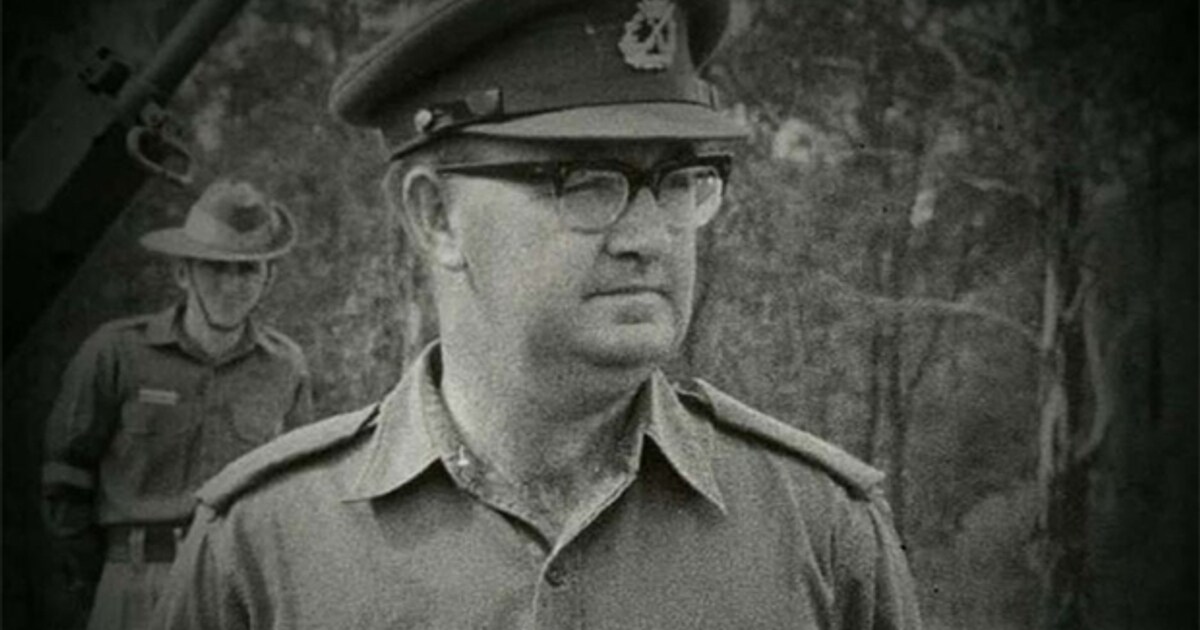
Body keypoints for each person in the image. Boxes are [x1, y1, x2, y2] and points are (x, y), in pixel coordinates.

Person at [156, 1, 922, 628]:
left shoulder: (818, 532)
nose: (650, 237)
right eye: (587, 181)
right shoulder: (266, 548)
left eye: (680, 181)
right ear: (436, 218)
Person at [41, 180, 314, 630]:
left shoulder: (284, 367)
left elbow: (295, 488)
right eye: (214, 267)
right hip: (135, 580)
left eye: (248, 270)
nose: (231, 285)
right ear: (183, 273)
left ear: (269, 278)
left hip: (237, 585)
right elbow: (65, 477)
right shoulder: (117, 353)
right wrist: (97, 579)